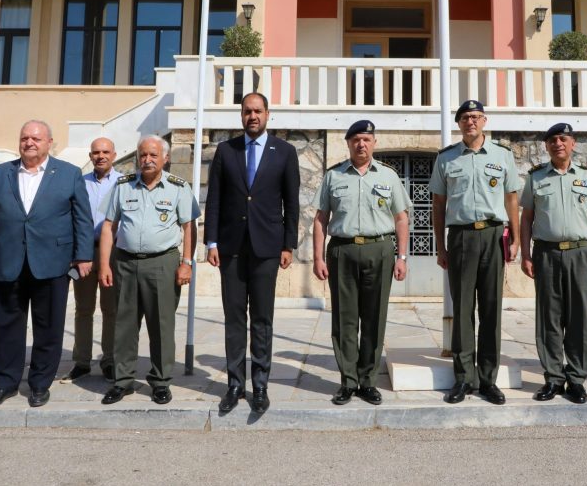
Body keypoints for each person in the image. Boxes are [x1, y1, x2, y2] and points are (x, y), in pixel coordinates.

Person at [0, 120, 94, 409]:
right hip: (7, 261)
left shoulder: (69, 174)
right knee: (4, 328)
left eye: (36, 138)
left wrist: (83, 255)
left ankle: (39, 384)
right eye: (24, 137)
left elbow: (82, 219)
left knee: (48, 327)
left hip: (52, 263)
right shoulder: (0, 174)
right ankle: (3, 383)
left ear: (50, 142)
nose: (29, 142)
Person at [204, 92, 300, 415]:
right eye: (247, 111)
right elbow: (214, 199)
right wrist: (211, 242)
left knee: (261, 317)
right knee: (234, 317)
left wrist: (288, 245)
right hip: (230, 248)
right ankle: (235, 384)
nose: (253, 116)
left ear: (268, 114)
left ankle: (260, 384)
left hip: (267, 248)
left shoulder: (284, 152)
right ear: (241, 115)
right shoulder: (225, 151)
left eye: (258, 111)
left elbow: (292, 202)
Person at [429, 100, 522, 405]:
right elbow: (439, 206)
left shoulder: (502, 155)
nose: (471, 122)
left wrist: (516, 238)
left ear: (485, 120)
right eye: (466, 117)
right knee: (463, 309)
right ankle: (463, 378)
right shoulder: (446, 158)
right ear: (459, 123)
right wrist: (440, 246)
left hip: (494, 235)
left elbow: (511, 200)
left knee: (491, 309)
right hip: (460, 237)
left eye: (476, 117)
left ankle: (488, 379)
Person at [312, 120, 410, 406]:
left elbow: (401, 218)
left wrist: (401, 256)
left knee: (374, 318)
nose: (361, 144)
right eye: (356, 139)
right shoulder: (334, 176)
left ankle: (367, 381)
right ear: (348, 144)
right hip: (342, 251)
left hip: (379, 250)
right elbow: (321, 219)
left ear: (374, 143)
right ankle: (348, 381)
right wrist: (318, 257)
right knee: (344, 319)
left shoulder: (389, 177)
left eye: (366, 139)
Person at [98, 135, 199, 406]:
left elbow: (190, 227)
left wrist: (186, 263)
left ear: (165, 158)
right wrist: (105, 264)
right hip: (125, 263)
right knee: (124, 324)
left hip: (162, 263)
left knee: (161, 324)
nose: (148, 160)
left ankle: (161, 381)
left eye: (154, 155)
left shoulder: (178, 187)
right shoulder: (123, 186)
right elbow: (109, 226)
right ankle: (123, 381)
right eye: (143, 155)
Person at [519, 123, 587, 405]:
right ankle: (553, 378)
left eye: (563, 139)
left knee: (578, 317)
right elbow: (526, 220)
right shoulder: (536, 178)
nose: (558, 143)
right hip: (546, 253)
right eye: (552, 140)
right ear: (546, 147)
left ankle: (577, 379)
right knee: (549, 318)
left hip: (580, 254)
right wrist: (525, 254)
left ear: (573, 144)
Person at [60, 137, 122, 383]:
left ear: (114, 155)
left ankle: (109, 360)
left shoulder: (125, 182)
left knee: (111, 309)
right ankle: (82, 361)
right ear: (90, 155)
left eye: (105, 151)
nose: (101, 156)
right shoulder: (79, 182)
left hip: (114, 252)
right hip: (83, 253)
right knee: (83, 308)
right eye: (96, 152)